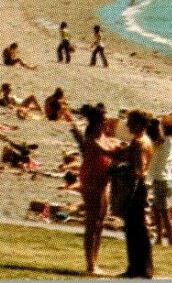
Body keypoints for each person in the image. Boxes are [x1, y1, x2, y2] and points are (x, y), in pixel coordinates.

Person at [73, 104, 123, 275]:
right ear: (97, 122)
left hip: (103, 180)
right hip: (92, 180)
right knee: (92, 222)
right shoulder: (91, 139)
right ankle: (90, 263)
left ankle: (94, 261)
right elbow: (109, 153)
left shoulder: (104, 136)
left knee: (100, 222)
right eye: (104, 119)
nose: (107, 121)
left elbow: (112, 145)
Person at [117, 109, 154, 278]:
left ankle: (136, 267)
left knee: (134, 228)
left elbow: (137, 170)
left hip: (135, 187)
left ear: (138, 124)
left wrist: (117, 170)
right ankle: (144, 267)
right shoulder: (146, 141)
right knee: (140, 228)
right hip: (141, 187)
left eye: (131, 122)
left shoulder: (139, 142)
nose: (128, 125)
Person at [148, 116, 172, 249]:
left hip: (162, 180)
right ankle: (160, 238)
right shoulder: (169, 144)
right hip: (167, 180)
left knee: (163, 212)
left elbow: (158, 138)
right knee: (157, 209)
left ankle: (170, 241)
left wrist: (157, 123)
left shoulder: (163, 142)